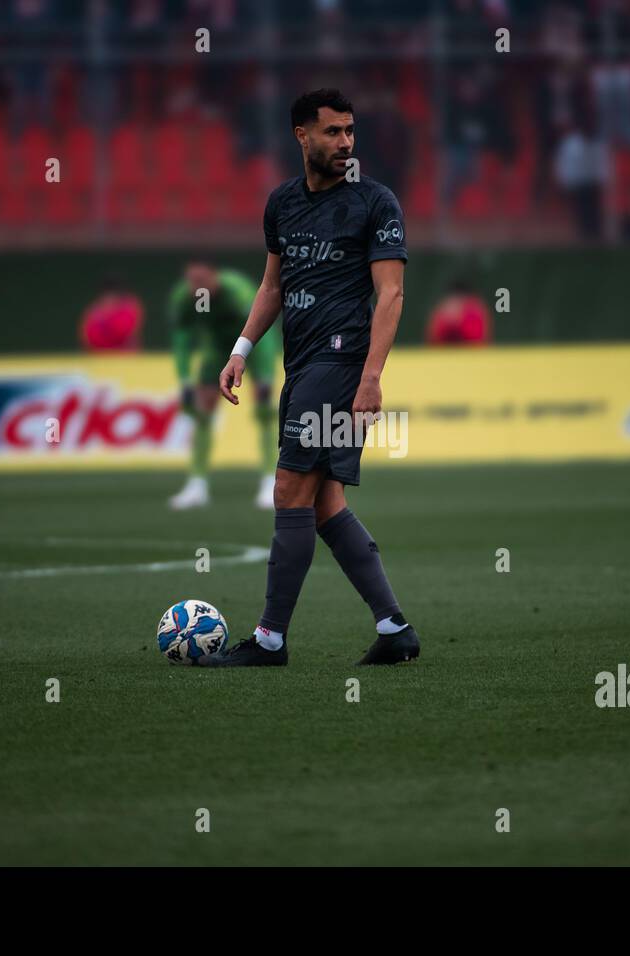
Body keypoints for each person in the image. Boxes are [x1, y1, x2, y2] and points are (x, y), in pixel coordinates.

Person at [212, 88, 419, 667]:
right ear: (301, 136)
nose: (345, 142)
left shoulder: (376, 203)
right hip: (301, 366)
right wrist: (241, 350)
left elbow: (391, 293)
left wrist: (371, 377)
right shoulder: (282, 204)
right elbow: (273, 285)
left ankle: (270, 640)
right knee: (324, 502)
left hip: (341, 363)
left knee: (288, 491)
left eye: (350, 131)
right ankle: (394, 627)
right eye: (332, 132)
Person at [167, 261, 280, 510]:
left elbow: (264, 330)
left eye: (202, 282)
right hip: (217, 350)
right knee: (202, 412)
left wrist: (266, 377)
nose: (198, 290)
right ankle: (197, 484)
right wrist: (185, 379)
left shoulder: (237, 292)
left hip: (253, 346)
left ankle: (269, 481)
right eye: (193, 283)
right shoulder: (184, 298)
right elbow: (182, 340)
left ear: (214, 276)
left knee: (264, 411)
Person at [79, 275, 143, 352]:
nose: (110, 298)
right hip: (99, 354)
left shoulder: (130, 306)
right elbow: (86, 336)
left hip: (124, 354)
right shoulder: (95, 309)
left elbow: (126, 333)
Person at [426, 279, 493, 345]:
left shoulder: (474, 309)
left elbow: (477, 340)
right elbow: (433, 338)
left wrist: (459, 322)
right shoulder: (442, 311)